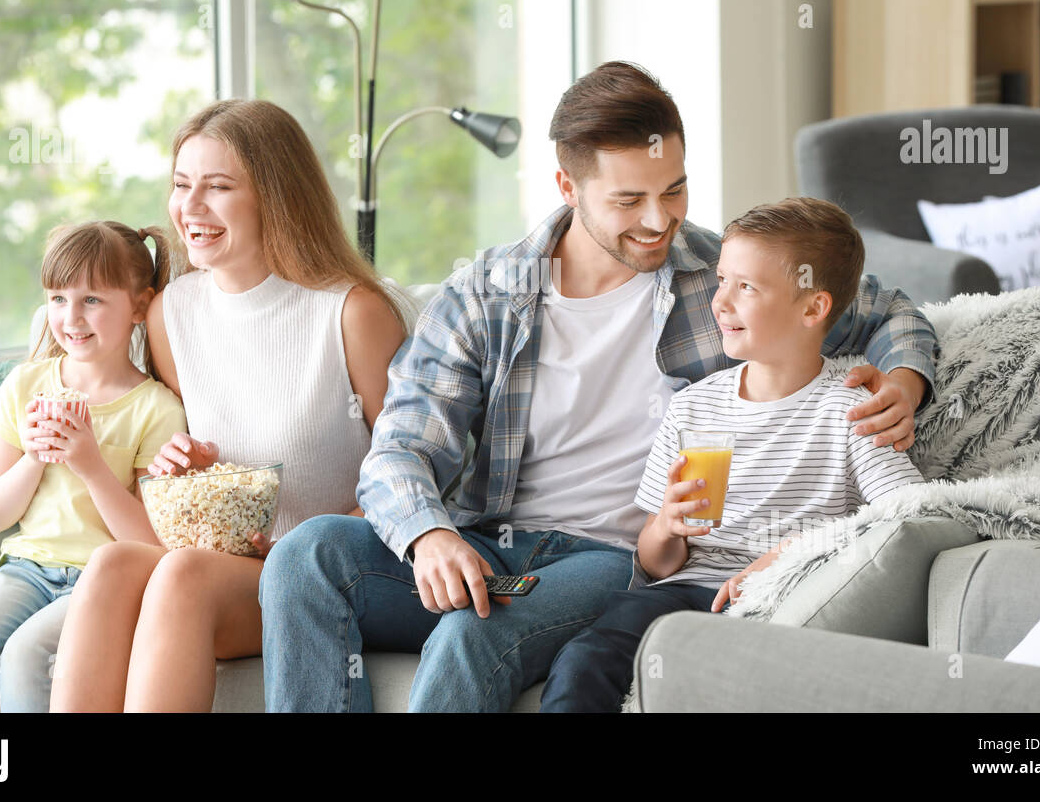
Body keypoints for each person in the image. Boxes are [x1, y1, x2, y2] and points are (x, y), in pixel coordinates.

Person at [259, 61, 939, 712]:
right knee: (304, 558)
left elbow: (890, 311)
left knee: (475, 630)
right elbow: (399, 448)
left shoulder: (720, 276)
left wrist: (904, 384)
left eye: (673, 188)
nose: (659, 219)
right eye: (629, 199)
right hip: (487, 542)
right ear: (567, 187)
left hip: (610, 559)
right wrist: (429, 535)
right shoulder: (486, 294)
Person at [49, 99, 407, 712]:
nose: (190, 208)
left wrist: (313, 539)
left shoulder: (352, 313)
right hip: (230, 563)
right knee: (111, 565)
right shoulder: (171, 312)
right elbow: (203, 464)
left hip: (328, 570)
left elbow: (417, 469)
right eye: (182, 185)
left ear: (276, 197)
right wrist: (181, 468)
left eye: (218, 187)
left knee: (183, 575)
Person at [539, 196, 928, 711]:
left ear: (814, 308)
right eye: (722, 280)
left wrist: (786, 559)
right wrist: (666, 529)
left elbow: (913, 512)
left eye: (746, 287)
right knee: (584, 660)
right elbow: (657, 563)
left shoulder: (851, 411)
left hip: (784, 598)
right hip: (683, 593)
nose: (720, 301)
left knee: (720, 681)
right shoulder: (692, 408)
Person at [0, 221, 186, 712]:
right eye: (58, 299)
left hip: (101, 584)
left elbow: (151, 543)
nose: (72, 317)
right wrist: (35, 458)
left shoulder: (157, 410)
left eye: (93, 300)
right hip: (25, 571)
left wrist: (90, 465)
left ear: (140, 307)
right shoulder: (26, 385)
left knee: (26, 657)